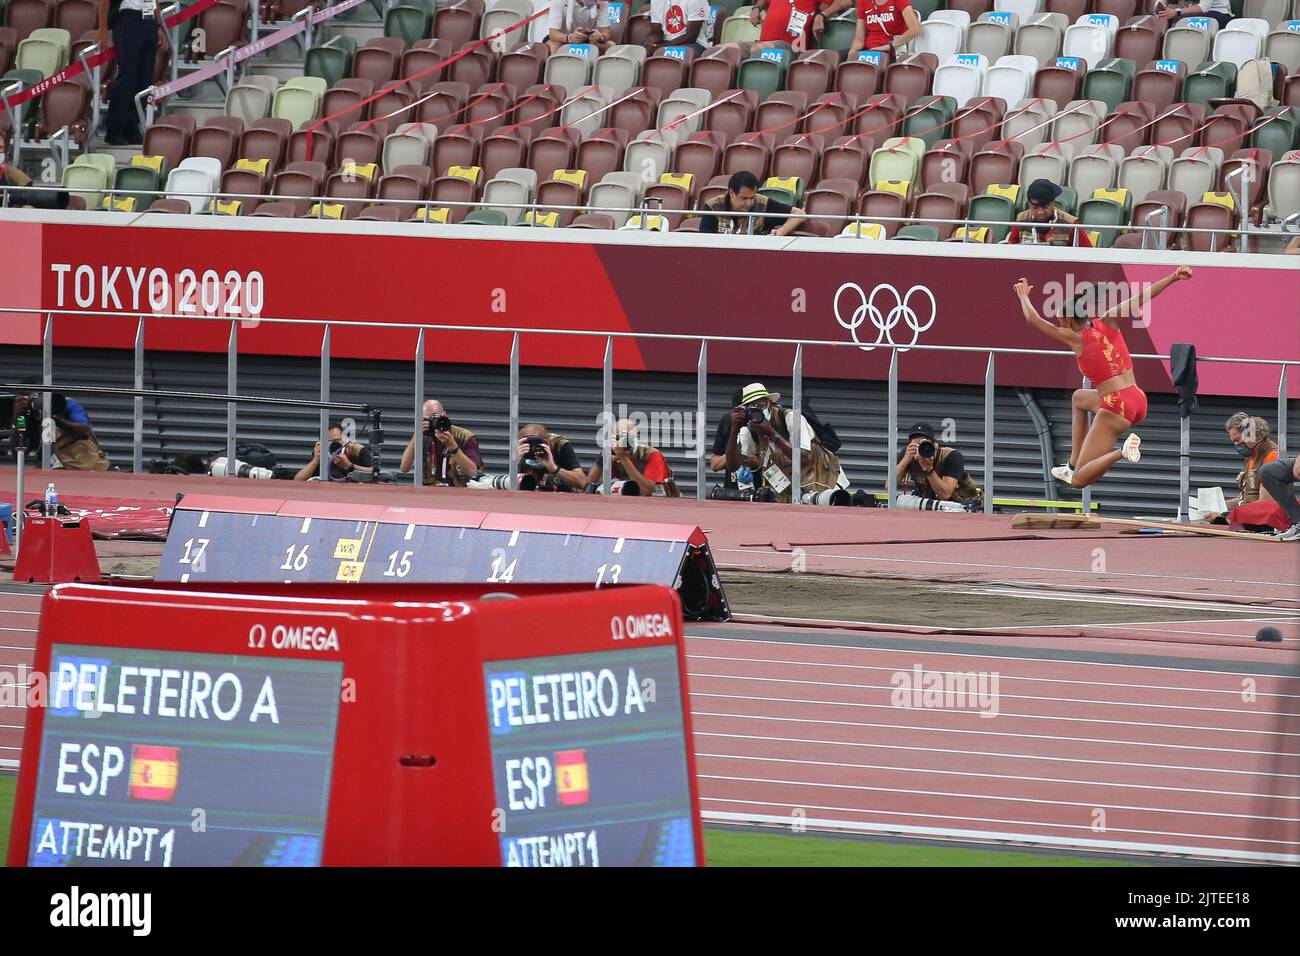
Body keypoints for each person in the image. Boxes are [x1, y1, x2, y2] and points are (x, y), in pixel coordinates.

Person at [1015, 267, 1195, 489]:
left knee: (1079, 481)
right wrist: (1173, 277)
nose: (1060, 324)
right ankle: (1071, 465)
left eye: (1060, 321)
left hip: (1117, 406)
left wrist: (1023, 296)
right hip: (1137, 398)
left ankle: (1122, 451)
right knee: (1079, 398)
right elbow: (1141, 297)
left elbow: (1034, 320)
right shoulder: (1108, 319)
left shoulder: (1075, 338)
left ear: (1069, 321)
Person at [723, 381, 848, 503]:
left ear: (769, 403)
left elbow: (804, 458)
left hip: (826, 481)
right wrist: (734, 430)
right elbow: (733, 466)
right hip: (793, 490)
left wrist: (771, 433)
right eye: (751, 409)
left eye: (760, 406)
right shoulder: (748, 430)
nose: (757, 413)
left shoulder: (791, 418)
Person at [97, 0, 166, 147]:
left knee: (145, 79)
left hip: (148, 18)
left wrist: (158, 26)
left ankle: (131, 126)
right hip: (129, 20)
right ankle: (114, 128)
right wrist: (103, 29)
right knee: (127, 77)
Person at [1197, 414, 1280, 523]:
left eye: (1237, 439)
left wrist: (1226, 516)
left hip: (1266, 524)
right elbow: (1245, 499)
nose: (1236, 444)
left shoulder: (1272, 456)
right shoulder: (1251, 457)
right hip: (1252, 521)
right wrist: (1219, 507)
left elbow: (1266, 502)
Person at [12, 386, 110, 470]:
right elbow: (18, 454)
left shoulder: (66, 404)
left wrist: (56, 420)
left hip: (86, 468)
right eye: (31, 397)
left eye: (40, 395)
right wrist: (19, 419)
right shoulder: (27, 416)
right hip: (54, 471)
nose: (38, 401)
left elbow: (85, 432)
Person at [586, 419, 680, 496]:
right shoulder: (613, 455)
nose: (623, 443)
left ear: (637, 435)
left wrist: (623, 458)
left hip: (662, 502)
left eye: (627, 438)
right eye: (619, 438)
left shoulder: (652, 455)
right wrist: (601, 459)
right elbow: (588, 488)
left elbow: (645, 491)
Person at [399, 400, 483, 487]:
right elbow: (404, 468)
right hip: (429, 491)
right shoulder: (422, 437)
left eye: (435, 418)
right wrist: (416, 436)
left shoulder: (464, 436)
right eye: (427, 420)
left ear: (444, 415)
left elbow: (473, 471)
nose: (432, 423)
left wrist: (453, 447)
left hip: (459, 490)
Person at [699, 170, 808, 236]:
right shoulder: (712, 207)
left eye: (752, 198)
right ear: (732, 193)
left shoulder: (763, 203)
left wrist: (781, 231)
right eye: (744, 199)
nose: (750, 203)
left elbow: (799, 214)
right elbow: (705, 242)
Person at [894, 422, 980, 504]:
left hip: (961, 503)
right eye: (917, 446)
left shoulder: (950, 456)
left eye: (925, 445)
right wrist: (905, 460)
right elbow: (890, 487)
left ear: (935, 444)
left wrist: (928, 468)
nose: (922, 449)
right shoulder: (908, 454)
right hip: (930, 502)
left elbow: (945, 495)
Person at [736, 0, 852, 52]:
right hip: (763, 42)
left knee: (757, 50)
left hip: (791, 46)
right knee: (728, 49)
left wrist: (822, 15)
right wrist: (757, 8)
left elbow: (845, 1)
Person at [1004, 179, 1092, 247]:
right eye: (1035, 208)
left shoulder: (1071, 224)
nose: (1040, 212)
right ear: (1029, 205)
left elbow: (1087, 253)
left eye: (1045, 207)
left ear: (1053, 203)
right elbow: (1011, 250)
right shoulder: (1020, 220)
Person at [294, 423, 374, 482]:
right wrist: (315, 461)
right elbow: (297, 482)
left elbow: (376, 473)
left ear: (344, 438)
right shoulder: (322, 454)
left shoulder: (357, 450)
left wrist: (350, 466)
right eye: (329, 441)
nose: (333, 444)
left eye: (337, 440)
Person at [518, 423, 587, 491]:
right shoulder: (519, 449)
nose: (532, 451)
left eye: (536, 444)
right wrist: (515, 461)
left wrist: (554, 468)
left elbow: (582, 483)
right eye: (528, 445)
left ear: (548, 443)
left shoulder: (560, 446)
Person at [847, 0, 921, 58]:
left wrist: (889, 46)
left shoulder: (899, 1)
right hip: (869, 51)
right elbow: (859, 40)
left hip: (891, 51)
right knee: (841, 58)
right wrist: (851, 54)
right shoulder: (863, 2)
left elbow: (915, 29)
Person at [645, 0, 713, 55]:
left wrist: (662, 47)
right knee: (643, 52)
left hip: (694, 44)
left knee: (669, 56)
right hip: (667, 42)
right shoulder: (656, 1)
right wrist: (650, 41)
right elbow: (656, 31)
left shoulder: (695, 1)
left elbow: (691, 36)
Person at [546, 0, 613, 54]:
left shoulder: (601, 2)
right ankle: (558, 65)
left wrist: (600, 37)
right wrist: (570, 38)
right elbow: (553, 34)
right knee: (554, 45)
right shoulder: (558, 1)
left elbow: (606, 32)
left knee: (611, 45)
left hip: (588, 39)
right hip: (564, 39)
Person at [1155, 0, 1233, 30]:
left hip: (1218, 14)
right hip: (1187, 14)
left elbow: (1204, 7)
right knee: (1157, 17)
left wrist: (1176, 12)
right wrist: (1159, 8)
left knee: (1184, 20)